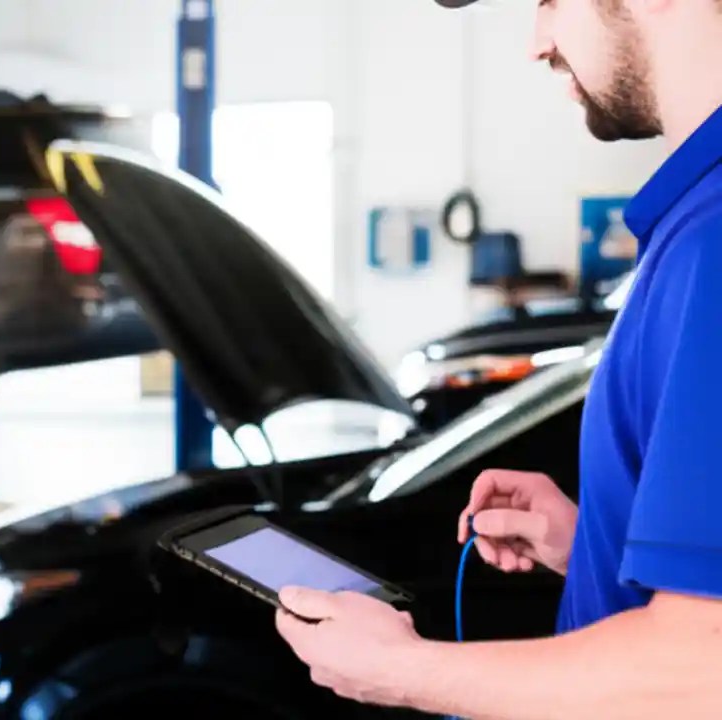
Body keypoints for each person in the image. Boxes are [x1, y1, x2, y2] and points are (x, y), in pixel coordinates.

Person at [274, 0, 722, 716]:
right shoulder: (694, 220)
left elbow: (705, 671)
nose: (537, 42)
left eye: (548, 1)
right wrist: (598, 551)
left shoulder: (716, 241)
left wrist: (403, 670)